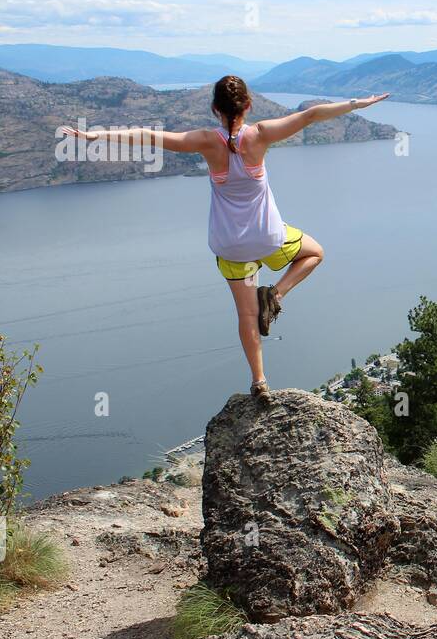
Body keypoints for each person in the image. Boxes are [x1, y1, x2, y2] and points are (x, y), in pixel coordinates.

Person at [64, 77, 389, 399]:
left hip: (231, 248)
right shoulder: (260, 135)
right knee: (315, 253)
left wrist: (94, 135)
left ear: (215, 109)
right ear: (248, 105)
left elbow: (149, 136)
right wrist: (357, 104)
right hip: (268, 238)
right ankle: (275, 295)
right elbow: (310, 115)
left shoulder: (206, 141)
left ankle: (259, 380)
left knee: (247, 316)